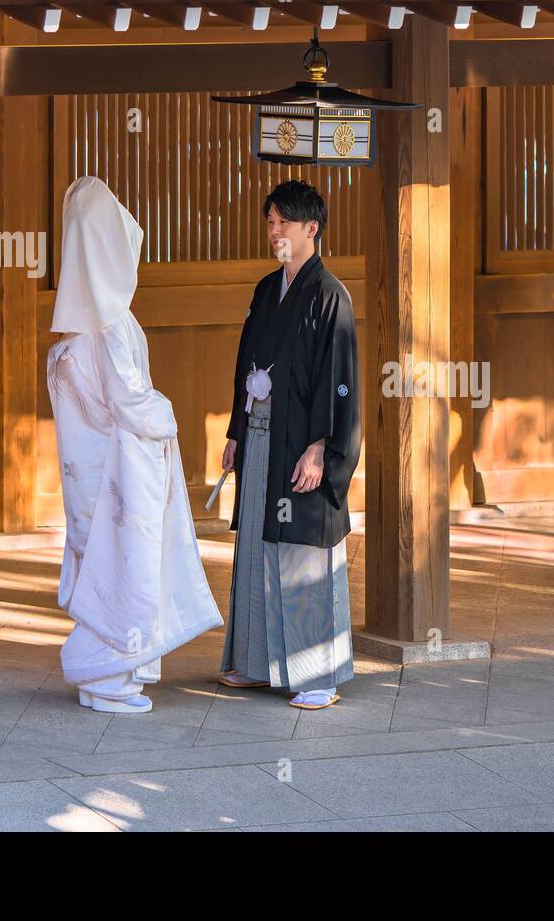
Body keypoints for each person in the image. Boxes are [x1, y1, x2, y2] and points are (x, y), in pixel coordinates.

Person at [47, 175, 222, 713]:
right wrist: (169, 416)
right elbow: (133, 405)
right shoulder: (115, 327)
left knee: (96, 562)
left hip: (88, 474)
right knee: (123, 566)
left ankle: (104, 671)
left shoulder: (72, 334)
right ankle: (111, 675)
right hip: (120, 480)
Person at [218, 179, 361, 710]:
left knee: (302, 552)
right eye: (271, 222)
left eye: (284, 222)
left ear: (311, 229)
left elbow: (337, 379)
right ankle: (257, 664)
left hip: (302, 445)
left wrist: (321, 447)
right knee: (258, 543)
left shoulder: (330, 297)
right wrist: (236, 430)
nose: (274, 230)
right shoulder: (265, 289)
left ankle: (315, 673)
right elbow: (246, 364)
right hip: (261, 438)